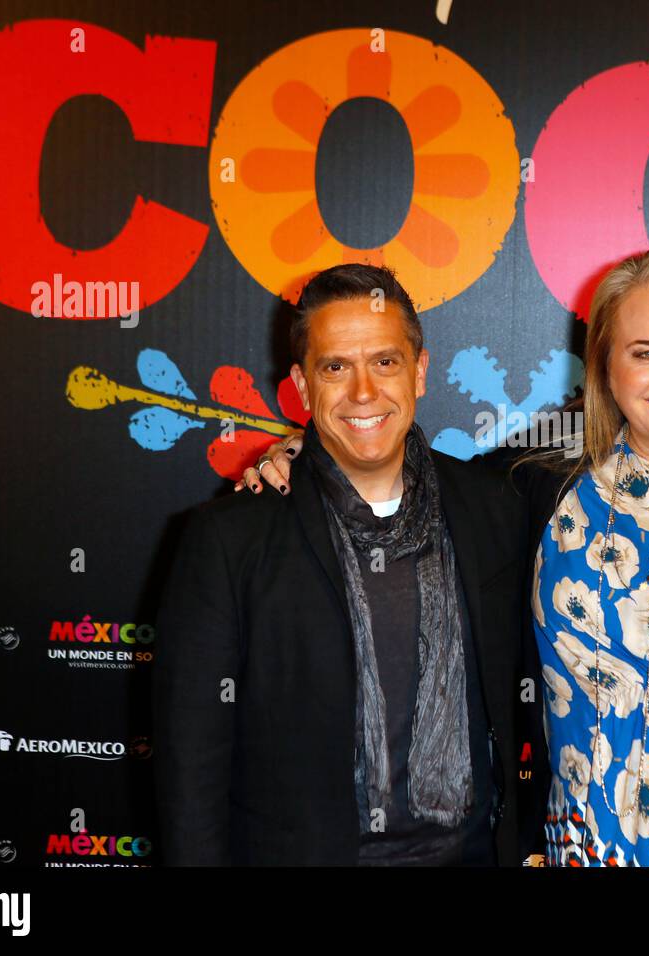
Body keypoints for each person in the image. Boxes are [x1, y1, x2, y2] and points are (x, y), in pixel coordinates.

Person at [242, 247, 649, 867]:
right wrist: (306, 460)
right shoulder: (538, 486)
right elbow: (404, 481)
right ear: (605, 363)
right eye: (645, 353)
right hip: (567, 847)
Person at [154, 263, 540, 865]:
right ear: (304, 388)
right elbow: (190, 765)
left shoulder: (498, 509)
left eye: (385, 362)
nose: (363, 391)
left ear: (420, 372)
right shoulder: (230, 538)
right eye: (336, 367)